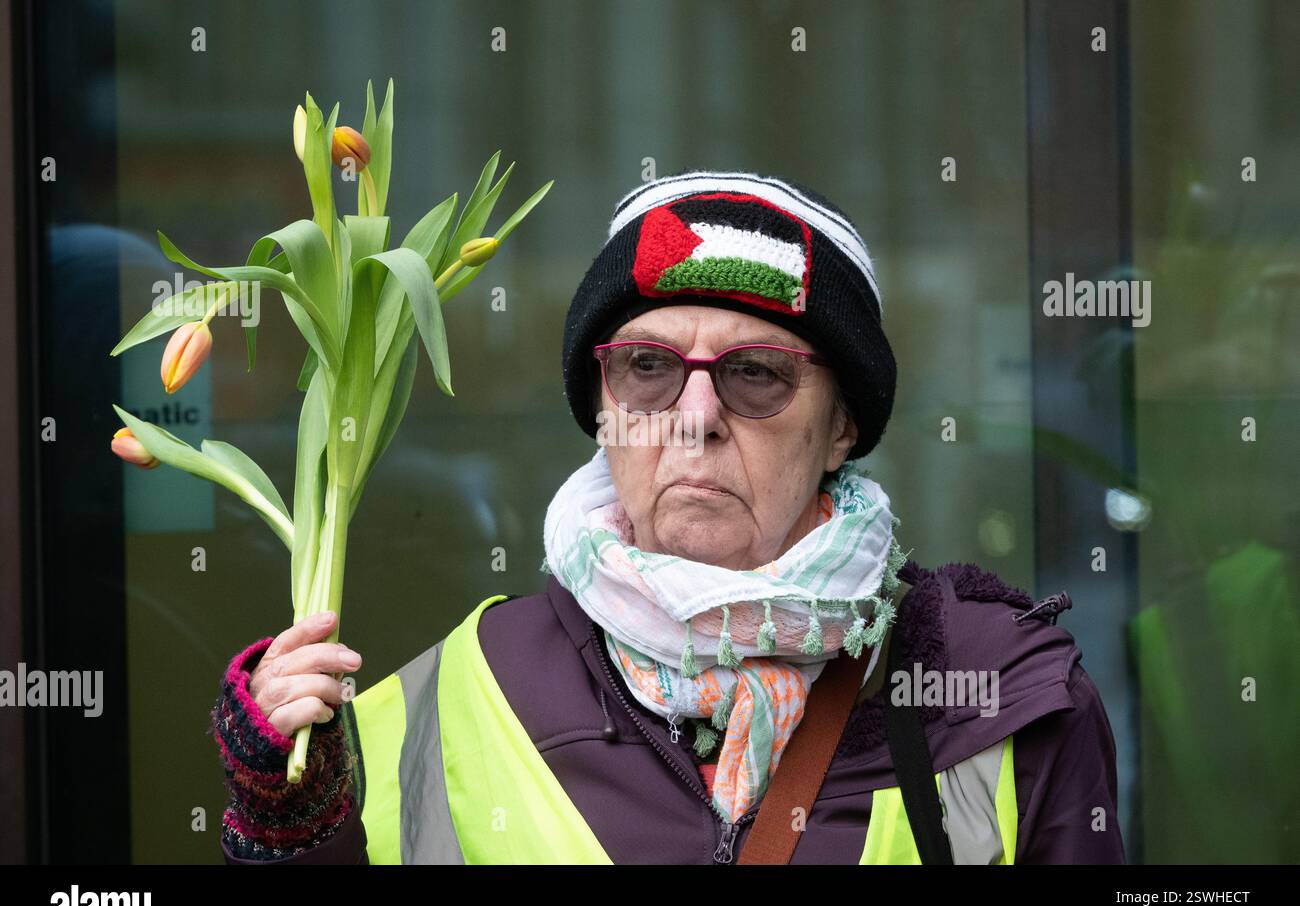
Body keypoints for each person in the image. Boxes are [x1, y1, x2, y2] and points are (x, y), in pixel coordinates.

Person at [209, 170, 1126, 864]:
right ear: (602, 405)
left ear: (842, 426)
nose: (694, 416)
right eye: (648, 366)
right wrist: (287, 830)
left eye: (756, 372)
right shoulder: (438, 704)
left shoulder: (1002, 697)